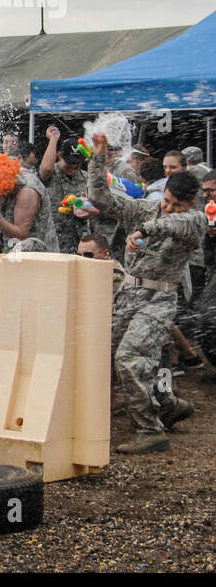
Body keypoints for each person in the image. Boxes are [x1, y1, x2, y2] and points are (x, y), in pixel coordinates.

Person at [88, 132, 204, 454]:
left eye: (176, 205)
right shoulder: (143, 208)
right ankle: (166, 403)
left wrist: (144, 230)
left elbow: (173, 226)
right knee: (103, 353)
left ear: (189, 204)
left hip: (160, 300)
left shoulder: (193, 220)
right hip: (128, 295)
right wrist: (97, 157)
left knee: (130, 357)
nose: (168, 209)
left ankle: (149, 430)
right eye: (166, 201)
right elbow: (99, 197)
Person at [0, 151, 58, 253]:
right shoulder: (2, 182)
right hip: (14, 253)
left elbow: (21, 235)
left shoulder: (27, 192)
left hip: (38, 255)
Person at [37, 128, 93, 254]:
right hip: (54, 238)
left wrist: (86, 209)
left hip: (79, 239)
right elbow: (45, 170)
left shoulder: (86, 177)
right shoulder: (52, 174)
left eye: (77, 163)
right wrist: (53, 139)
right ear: (60, 156)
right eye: (70, 162)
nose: (74, 166)